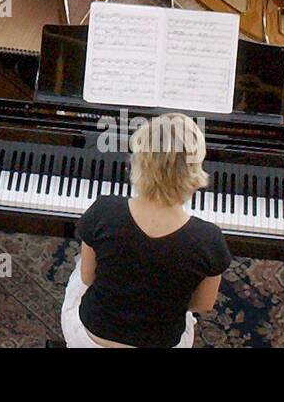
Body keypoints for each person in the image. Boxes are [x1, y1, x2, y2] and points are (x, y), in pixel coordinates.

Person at [62, 113, 231, 348]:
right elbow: (201, 305)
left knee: (80, 267)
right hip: (163, 343)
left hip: (89, 339)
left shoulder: (103, 211)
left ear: (139, 160)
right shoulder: (209, 239)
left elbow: (87, 278)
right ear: (194, 170)